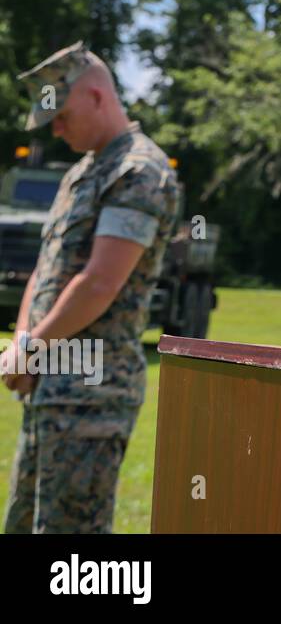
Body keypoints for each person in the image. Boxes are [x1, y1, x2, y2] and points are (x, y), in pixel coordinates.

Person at [1, 42, 179, 533]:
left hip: (93, 395)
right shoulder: (81, 173)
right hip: (50, 388)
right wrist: (22, 342)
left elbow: (100, 282)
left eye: (61, 116)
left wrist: (34, 347)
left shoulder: (139, 171)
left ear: (98, 95)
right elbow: (47, 265)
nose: (56, 130)